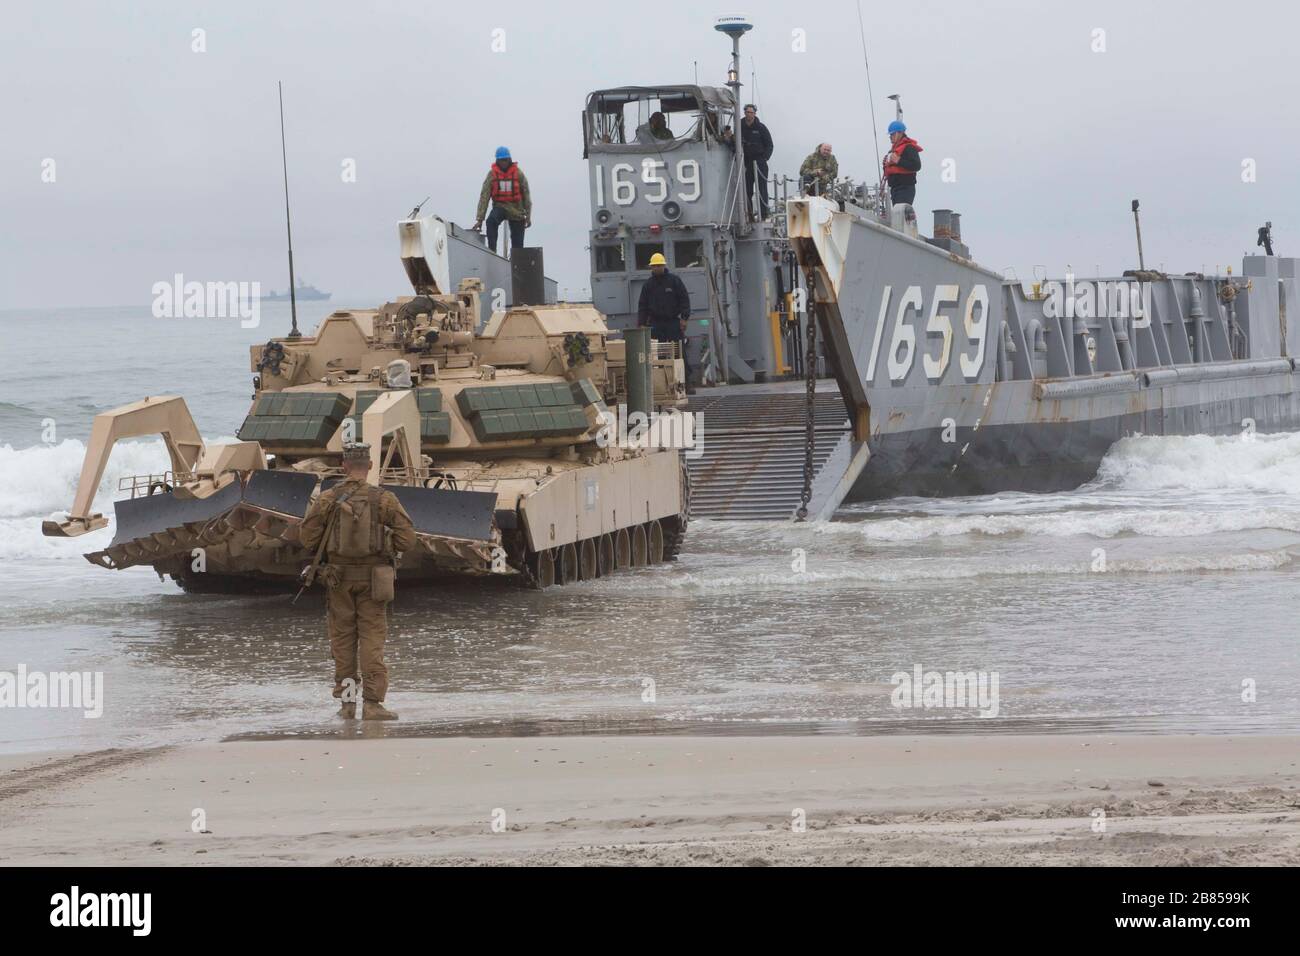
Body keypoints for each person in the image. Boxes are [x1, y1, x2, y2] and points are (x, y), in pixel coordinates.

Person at [299, 442, 416, 721]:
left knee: (342, 641)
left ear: (343, 465)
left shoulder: (328, 498)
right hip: (374, 580)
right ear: (371, 466)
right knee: (372, 640)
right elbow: (407, 540)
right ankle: (373, 705)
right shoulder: (384, 499)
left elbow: (307, 539)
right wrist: (385, 543)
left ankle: (348, 705)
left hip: (337, 579)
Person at [637, 252, 693, 392]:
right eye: (654, 266)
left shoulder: (674, 281)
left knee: (679, 353)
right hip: (655, 324)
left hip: (673, 322)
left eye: (658, 265)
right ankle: (661, 386)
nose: (656, 268)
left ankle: (686, 384)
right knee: (657, 354)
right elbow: (642, 305)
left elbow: (684, 300)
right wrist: (642, 324)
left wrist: (684, 318)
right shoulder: (648, 285)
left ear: (663, 266)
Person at [472, 146, 532, 257]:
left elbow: (526, 195)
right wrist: (480, 219)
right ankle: (492, 252)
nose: (503, 163)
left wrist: (528, 215)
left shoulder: (518, 174)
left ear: (509, 159)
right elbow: (484, 197)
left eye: (505, 160)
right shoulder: (492, 175)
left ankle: (517, 261)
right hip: (500, 207)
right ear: (497, 160)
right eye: (501, 160)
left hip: (516, 210)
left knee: (518, 242)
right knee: (491, 221)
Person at [740, 104, 774, 219]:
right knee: (747, 189)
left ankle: (763, 214)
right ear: (744, 113)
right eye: (747, 112)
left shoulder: (761, 127)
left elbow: (769, 144)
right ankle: (748, 214)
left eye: (751, 112)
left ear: (754, 113)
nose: (749, 114)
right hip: (746, 161)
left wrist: (765, 157)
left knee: (762, 188)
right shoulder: (740, 126)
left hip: (760, 161)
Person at [883, 120, 923, 207]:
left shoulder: (909, 147)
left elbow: (916, 165)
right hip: (895, 189)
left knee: (900, 214)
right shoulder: (892, 151)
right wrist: (886, 165)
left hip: (905, 188)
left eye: (892, 134)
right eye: (890, 135)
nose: (890, 137)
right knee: (897, 214)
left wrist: (898, 160)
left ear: (900, 133)